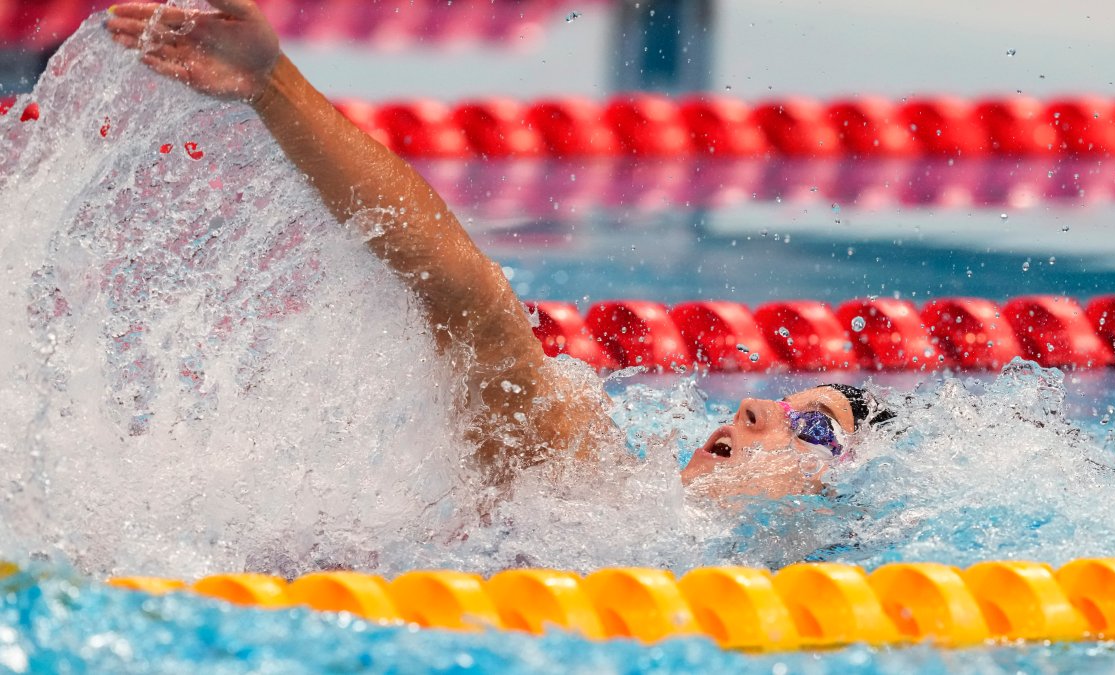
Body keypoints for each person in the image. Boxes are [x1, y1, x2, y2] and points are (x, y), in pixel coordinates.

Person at [103, 0, 892, 499]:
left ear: (833, 497)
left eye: (811, 429)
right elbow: (472, 306)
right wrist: (273, 86)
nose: (752, 406)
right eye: (787, 404)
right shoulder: (588, 488)